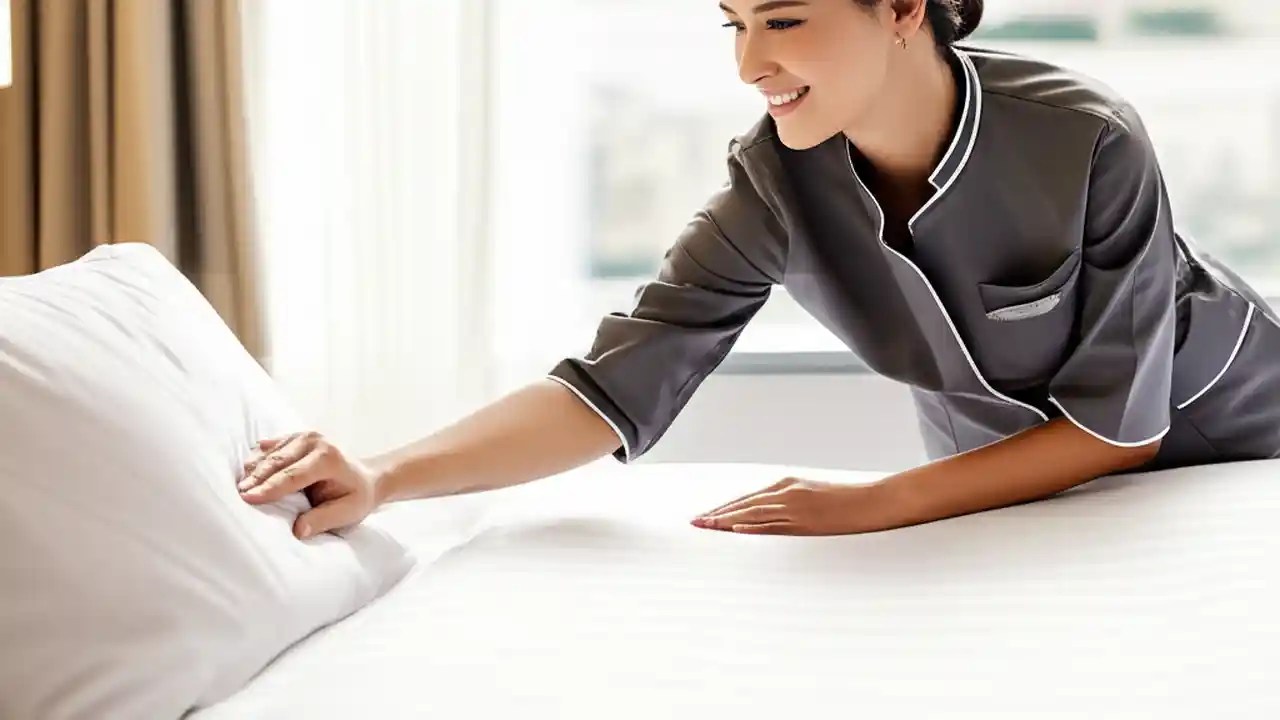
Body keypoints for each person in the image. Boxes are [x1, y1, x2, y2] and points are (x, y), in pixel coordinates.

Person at [238, 0, 1280, 537]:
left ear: (903, 6)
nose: (748, 62)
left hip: (1238, 443)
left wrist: (869, 504)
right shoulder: (772, 188)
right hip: (1019, 495)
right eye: (733, 22)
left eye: (782, 18)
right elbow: (605, 389)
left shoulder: (1085, 138)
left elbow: (1118, 428)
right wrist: (382, 475)